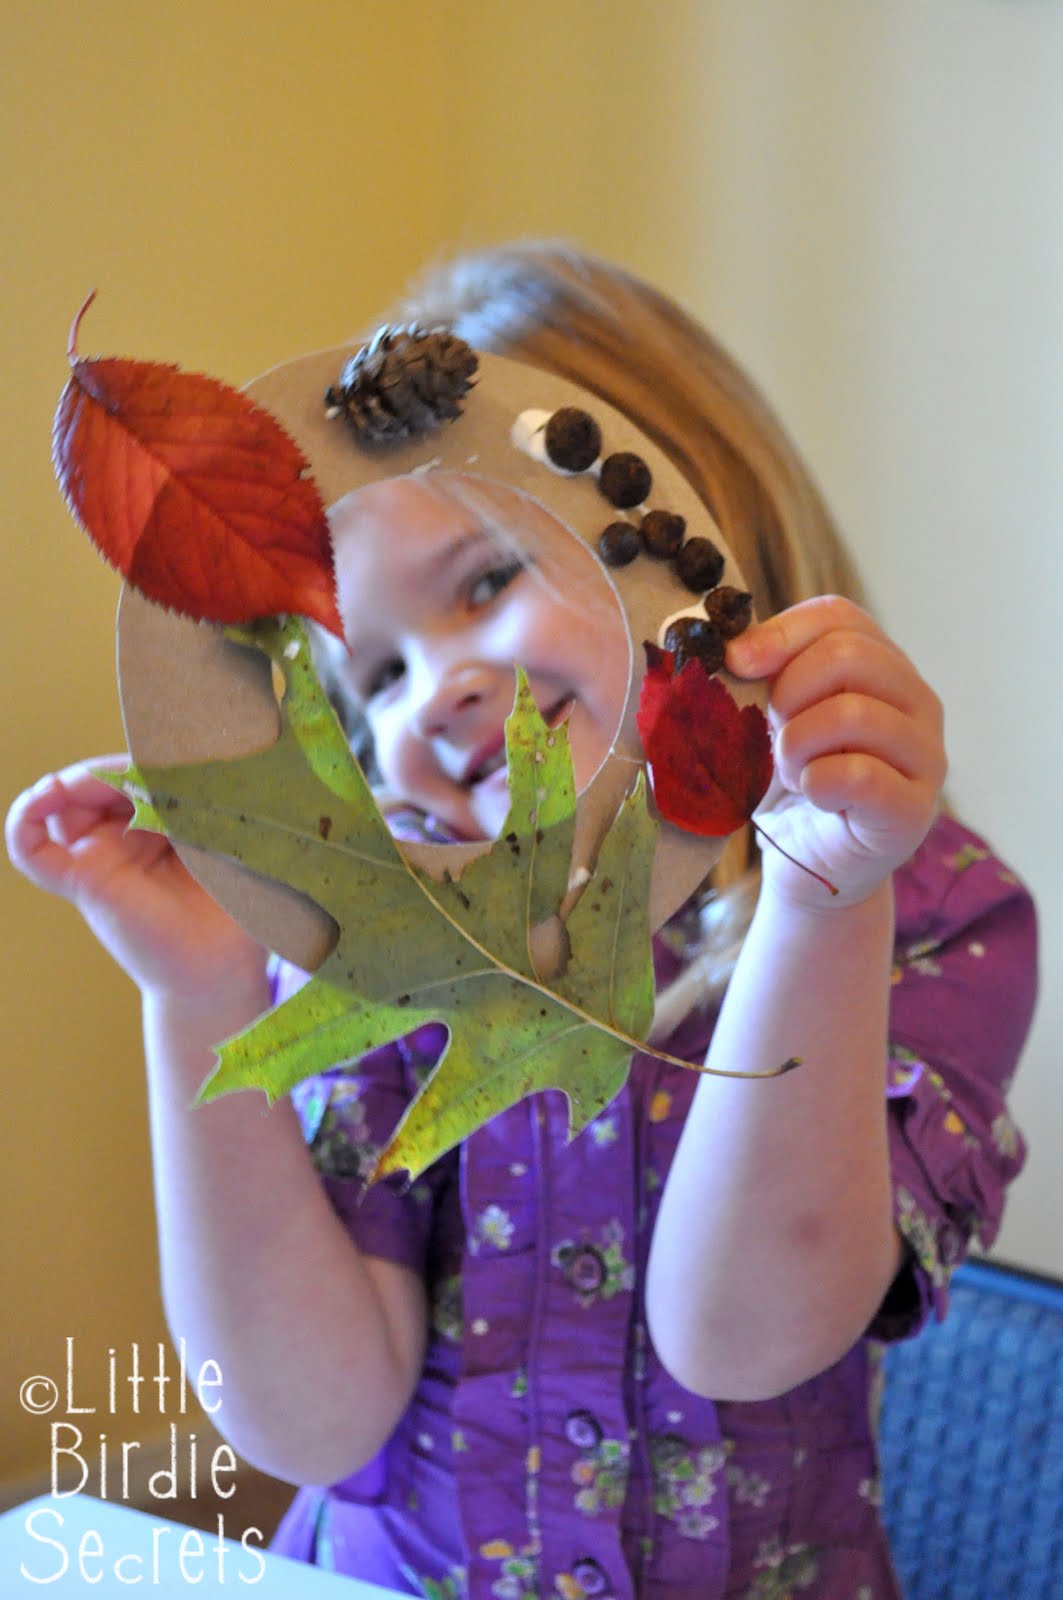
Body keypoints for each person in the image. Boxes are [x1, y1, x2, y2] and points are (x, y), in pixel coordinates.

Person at [6, 243, 1037, 1600]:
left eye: (486, 580)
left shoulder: (926, 909)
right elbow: (313, 1419)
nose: (428, 694)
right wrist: (199, 996)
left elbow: (742, 1336)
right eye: (367, 682)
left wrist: (822, 904)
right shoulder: (377, 957)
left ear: (692, 533)